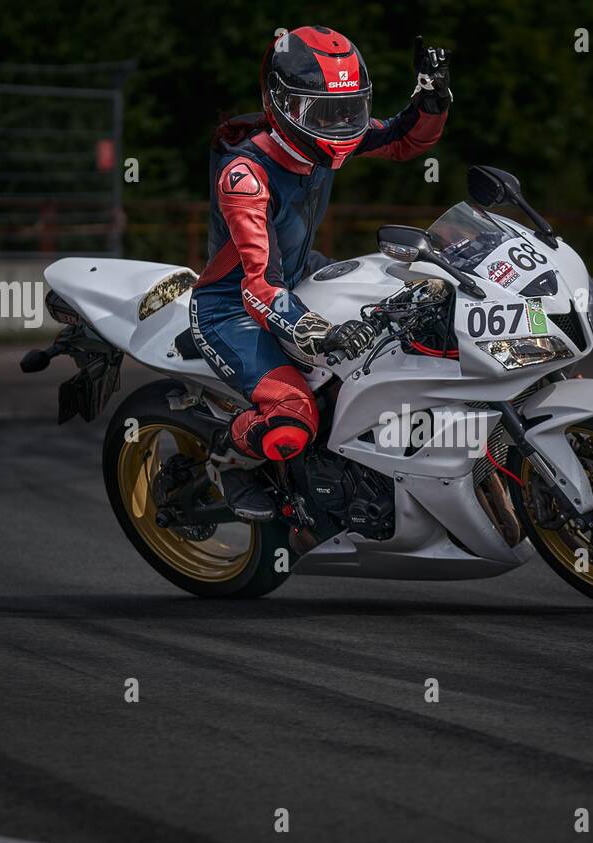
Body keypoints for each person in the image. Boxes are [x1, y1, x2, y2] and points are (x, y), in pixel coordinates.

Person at [190, 26, 452, 520]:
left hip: (303, 274)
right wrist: (318, 333)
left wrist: (432, 101)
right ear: (280, 103)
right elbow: (258, 283)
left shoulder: (322, 137)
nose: (339, 125)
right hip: (232, 306)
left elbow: (401, 139)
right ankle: (227, 457)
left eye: (349, 109)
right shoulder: (245, 175)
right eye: (324, 111)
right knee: (294, 420)